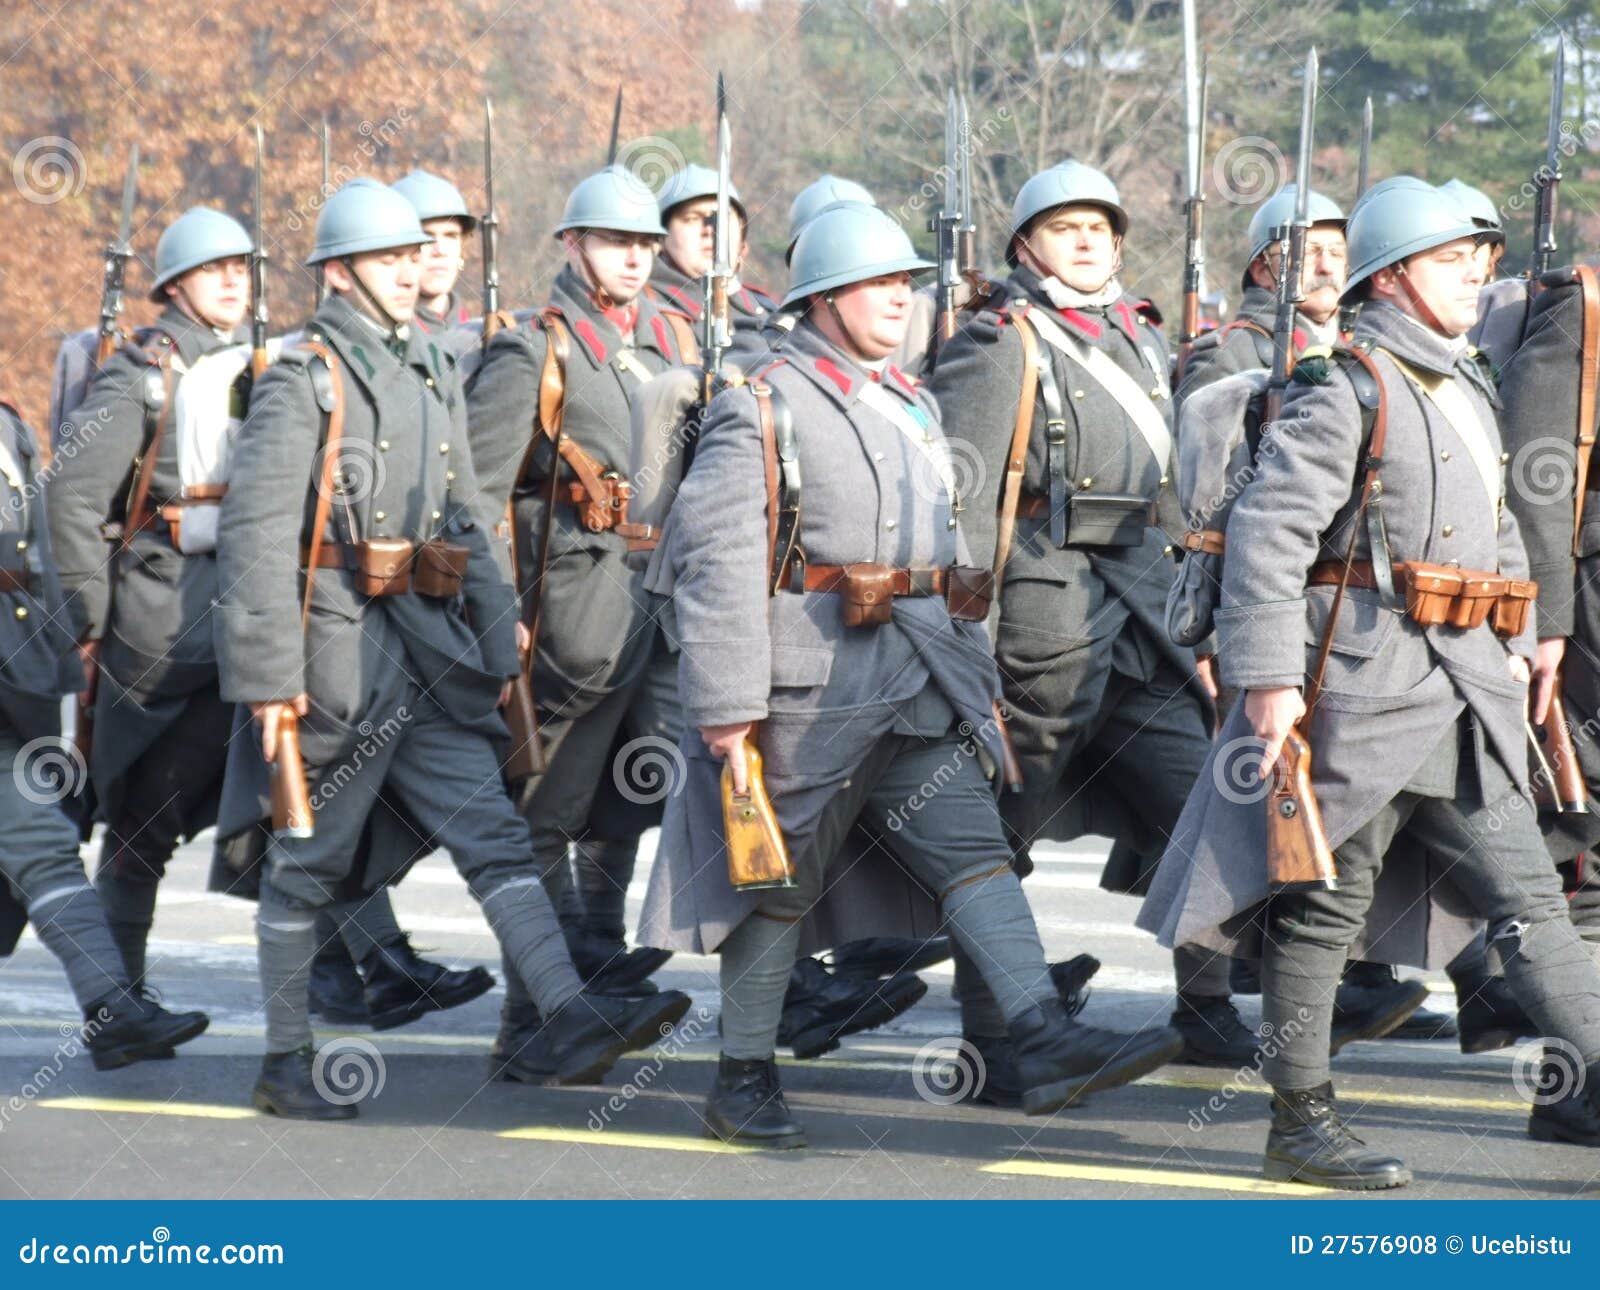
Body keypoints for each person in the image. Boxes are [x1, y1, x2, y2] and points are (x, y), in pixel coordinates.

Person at [638, 199, 1182, 1147]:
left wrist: (972, 677)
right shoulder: (759, 405)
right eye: (877, 284)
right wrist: (728, 707)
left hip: (917, 676)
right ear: (822, 298)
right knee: (778, 879)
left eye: (905, 283)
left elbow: (949, 552)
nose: (900, 298)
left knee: (974, 854)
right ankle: (743, 1074)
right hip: (804, 688)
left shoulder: (911, 402)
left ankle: (1041, 1039)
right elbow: (714, 565)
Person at [1140, 176, 1600, 1188]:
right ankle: (1298, 1123)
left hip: (1465, 688)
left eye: (1481, 259)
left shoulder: (1465, 381)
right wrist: (1267, 684)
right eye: (1451, 260)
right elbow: (1267, 536)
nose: (1476, 276)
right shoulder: (1342, 383)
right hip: (1359, 689)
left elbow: (1504, 531)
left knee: (1529, 901)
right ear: (1390, 277)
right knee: (1323, 908)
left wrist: (1522, 641)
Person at [215, 177, 688, 1119]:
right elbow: (258, 535)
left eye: (413, 255)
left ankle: (564, 1012)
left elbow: (469, 513)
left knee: (498, 836)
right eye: (390, 257)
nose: (412, 269)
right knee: (307, 860)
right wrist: (270, 679)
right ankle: (284, 1058)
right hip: (336, 653)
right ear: (342, 271)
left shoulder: (431, 362)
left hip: (428, 650)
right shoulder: (304, 374)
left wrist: (498, 638)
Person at [0, 390, 209, 1068]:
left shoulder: (7, 425)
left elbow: (33, 558)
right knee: (41, 847)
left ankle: (112, 1008)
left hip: (11, 679)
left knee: (43, 848)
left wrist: (61, 653)